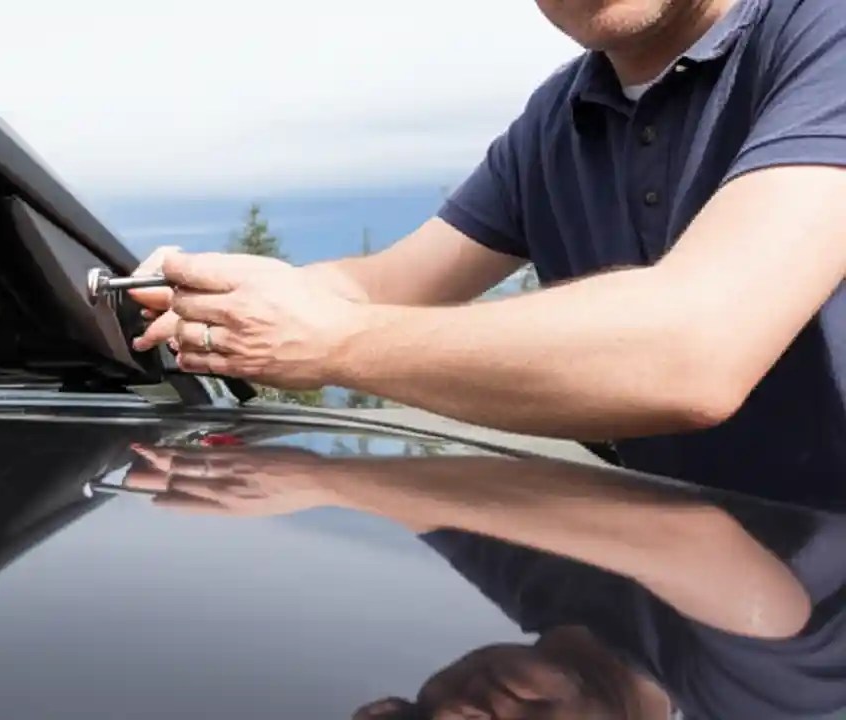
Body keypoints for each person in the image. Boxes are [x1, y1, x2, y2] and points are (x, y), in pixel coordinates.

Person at [127, 0, 846, 506]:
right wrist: (208, 295)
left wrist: (330, 343)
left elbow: (693, 354)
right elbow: (378, 286)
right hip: (684, 600)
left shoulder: (823, 35)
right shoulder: (555, 122)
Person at [125, 443, 846, 719]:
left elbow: (427, 493)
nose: (456, 719)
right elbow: (694, 540)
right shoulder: (761, 696)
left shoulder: (534, 589)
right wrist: (330, 480)